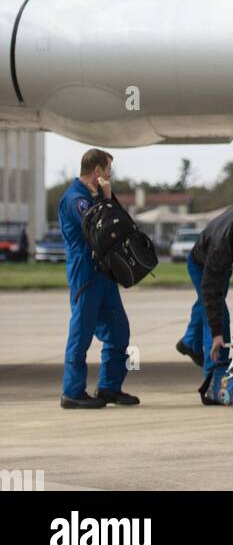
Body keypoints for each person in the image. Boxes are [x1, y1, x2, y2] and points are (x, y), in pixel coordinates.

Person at [58, 148, 139, 409]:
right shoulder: (76, 199)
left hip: (104, 272)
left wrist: (107, 197)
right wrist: (106, 197)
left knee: (119, 332)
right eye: (108, 170)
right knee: (81, 334)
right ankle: (72, 392)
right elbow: (100, 228)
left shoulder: (95, 196)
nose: (110, 175)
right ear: (98, 172)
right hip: (86, 272)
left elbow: (120, 224)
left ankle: (109, 387)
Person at [176, 203, 233, 392]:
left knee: (206, 304)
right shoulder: (220, 248)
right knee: (218, 312)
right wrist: (217, 334)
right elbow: (211, 293)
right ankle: (214, 375)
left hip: (225, 267)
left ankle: (189, 342)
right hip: (201, 264)